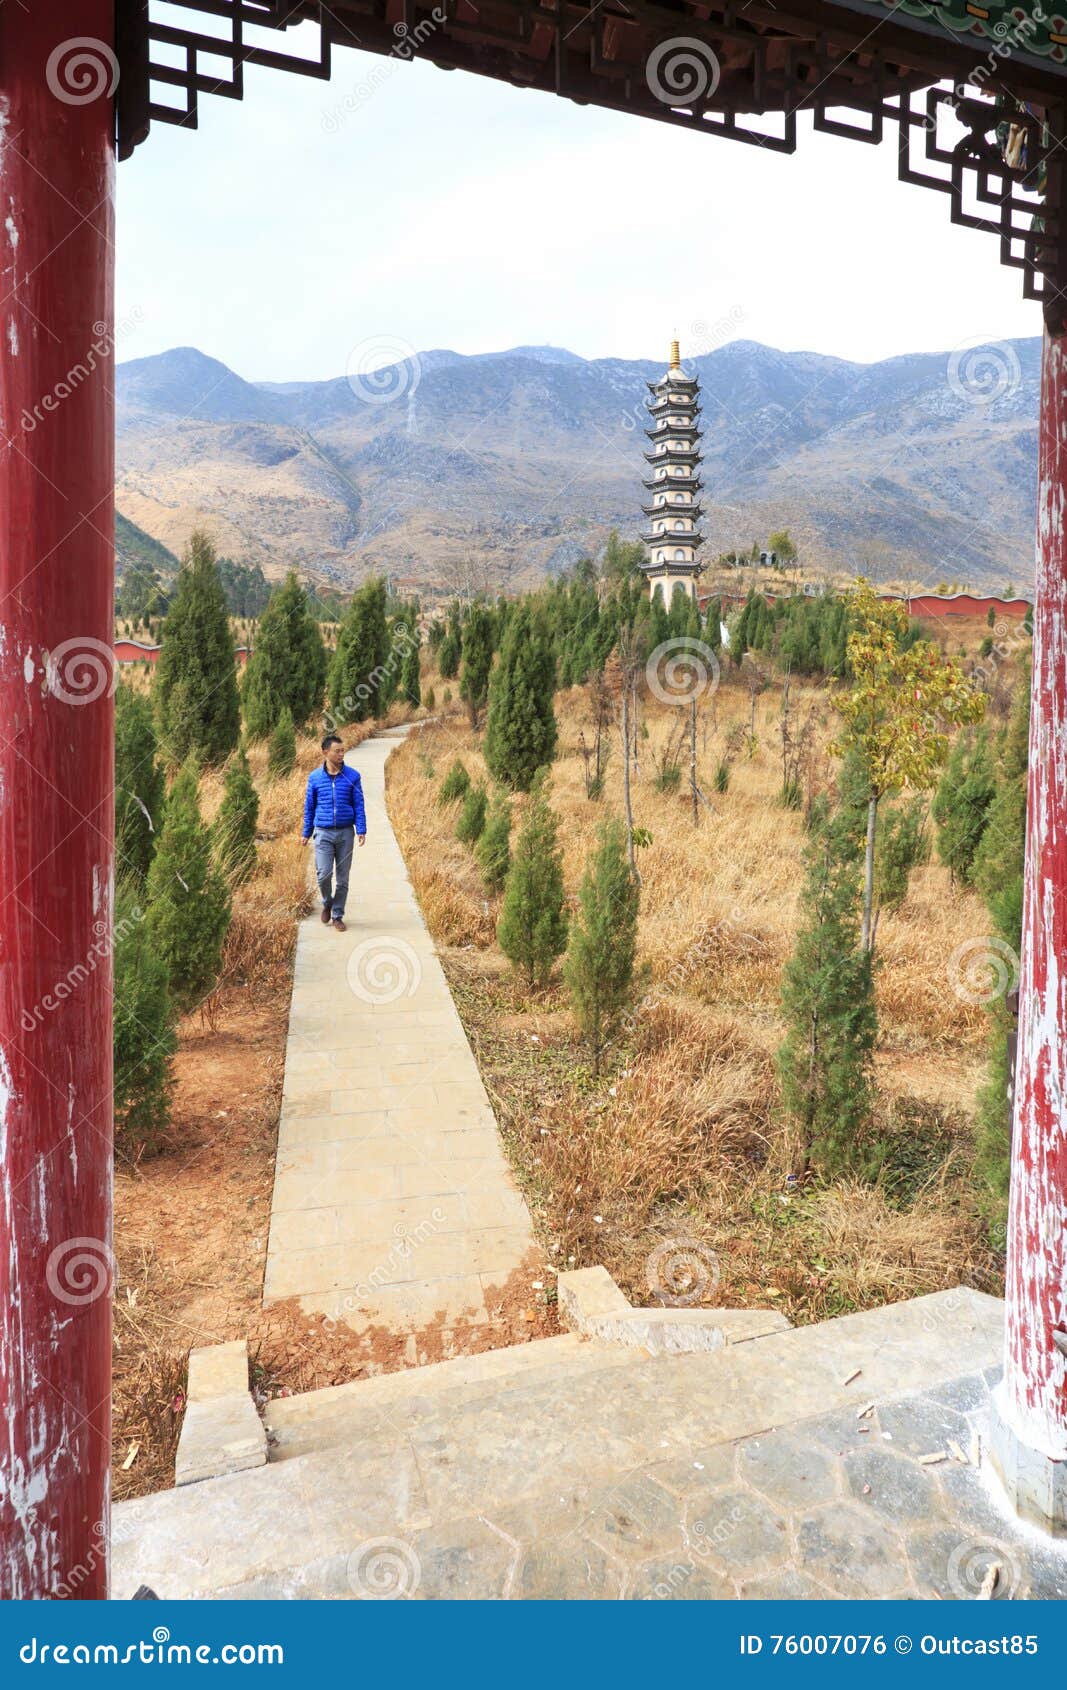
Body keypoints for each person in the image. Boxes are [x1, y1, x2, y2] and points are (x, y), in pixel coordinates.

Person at [302, 733, 366, 932]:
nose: (341, 754)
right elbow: (309, 807)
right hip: (323, 832)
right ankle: (327, 902)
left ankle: (337, 914)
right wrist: (306, 832)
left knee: (343, 878)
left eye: (342, 750)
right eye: (337, 751)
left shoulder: (353, 776)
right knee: (323, 874)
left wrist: (361, 829)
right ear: (325, 752)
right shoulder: (314, 778)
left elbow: (359, 803)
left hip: (346, 833)